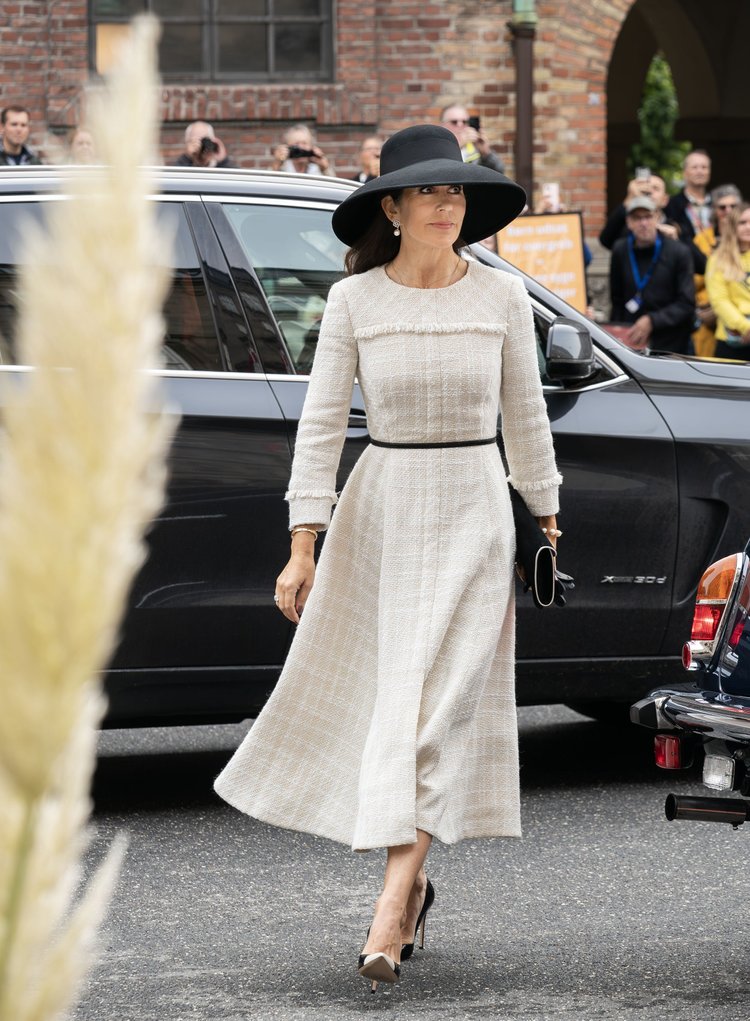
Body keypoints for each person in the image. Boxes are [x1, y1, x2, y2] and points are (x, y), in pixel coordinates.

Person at [214, 124, 561, 991]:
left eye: (458, 193)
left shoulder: (503, 299)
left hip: (478, 511)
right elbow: (322, 428)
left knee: (439, 710)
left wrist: (547, 521)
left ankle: (390, 902)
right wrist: (304, 544)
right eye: (431, 193)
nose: (449, 205)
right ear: (394, 208)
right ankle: (411, 888)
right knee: (400, 712)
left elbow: (527, 418)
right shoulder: (355, 302)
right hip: (385, 513)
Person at [609, 195, 695, 353]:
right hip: (631, 340)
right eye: (637, 218)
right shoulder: (620, 250)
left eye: (648, 217)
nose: (643, 223)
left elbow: (686, 303)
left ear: (657, 218)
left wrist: (652, 320)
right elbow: (617, 299)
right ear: (629, 222)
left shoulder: (679, 252)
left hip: (671, 342)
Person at [691, 184, 742, 357]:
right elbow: (692, 280)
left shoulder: (746, 242)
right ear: (714, 210)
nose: (728, 211)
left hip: (740, 321)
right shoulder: (701, 239)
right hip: (708, 318)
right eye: (722, 207)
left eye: (733, 207)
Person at [705, 202, 750, 362]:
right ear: (732, 226)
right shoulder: (718, 259)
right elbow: (719, 301)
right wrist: (746, 327)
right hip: (732, 342)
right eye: (742, 222)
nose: (748, 227)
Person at [599, 173, 678, 250]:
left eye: (655, 188)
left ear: (665, 200)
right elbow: (606, 241)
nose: (649, 191)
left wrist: (675, 242)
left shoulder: (675, 228)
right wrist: (629, 198)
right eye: (645, 187)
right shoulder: (629, 227)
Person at [440, 104, 505, 172]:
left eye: (464, 122)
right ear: (442, 125)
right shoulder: (437, 146)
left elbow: (499, 171)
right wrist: (458, 146)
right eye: (454, 122)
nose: (460, 125)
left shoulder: (474, 147)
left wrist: (486, 154)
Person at [665, 149, 712, 242]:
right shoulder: (672, 204)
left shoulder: (720, 204)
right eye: (694, 167)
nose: (700, 171)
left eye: (704, 167)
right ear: (684, 172)